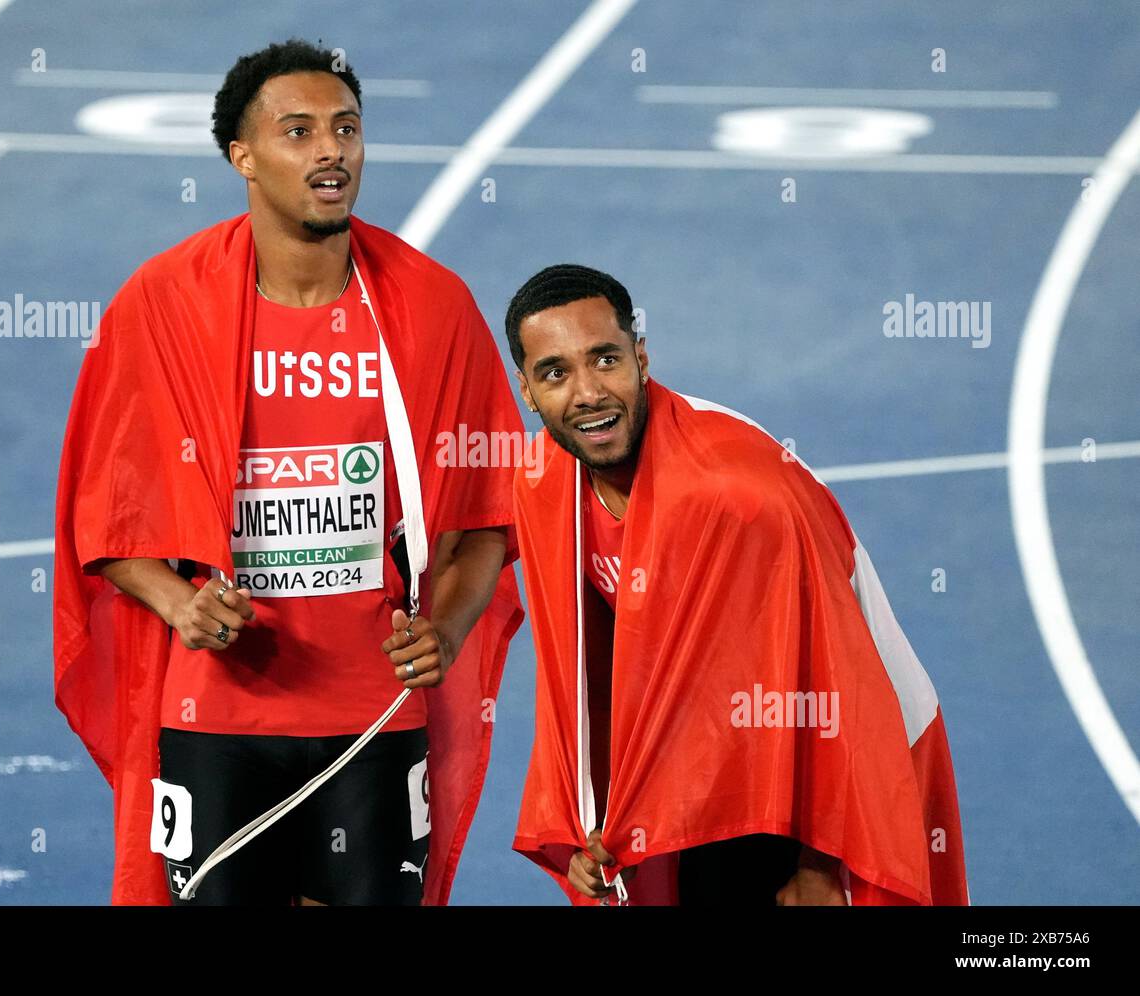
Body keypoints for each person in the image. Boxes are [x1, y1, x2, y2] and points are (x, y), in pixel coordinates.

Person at [52, 39, 524, 906]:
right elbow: (104, 520)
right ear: (242, 156)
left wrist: (449, 629)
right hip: (215, 720)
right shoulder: (163, 306)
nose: (330, 151)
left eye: (345, 129)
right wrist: (178, 603)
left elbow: (492, 511)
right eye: (298, 131)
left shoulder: (431, 308)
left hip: (375, 714)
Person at [504, 264, 969, 906]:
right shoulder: (546, 483)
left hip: (824, 769)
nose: (587, 393)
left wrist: (821, 862)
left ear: (642, 358)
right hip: (708, 759)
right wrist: (599, 817)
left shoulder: (740, 498)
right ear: (527, 391)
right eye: (555, 373)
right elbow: (598, 666)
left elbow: (840, 681)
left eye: (604, 359)